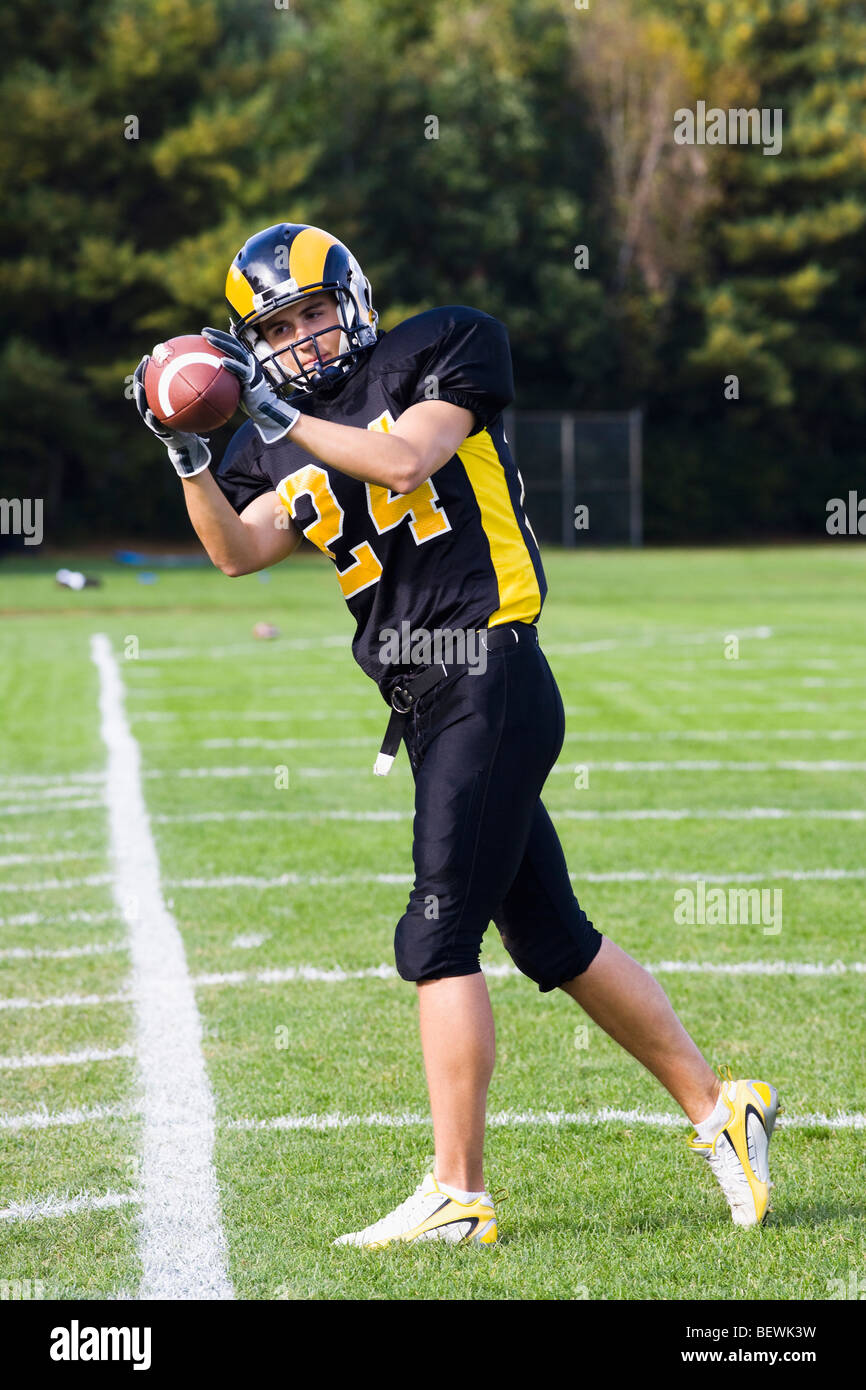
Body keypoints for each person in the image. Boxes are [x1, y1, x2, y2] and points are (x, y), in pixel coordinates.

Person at [133, 221, 779, 1249]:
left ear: (354, 300)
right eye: (276, 328)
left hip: (489, 665)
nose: (299, 340)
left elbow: (402, 460)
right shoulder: (269, 434)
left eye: (309, 314)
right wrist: (187, 454)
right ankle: (719, 1106)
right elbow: (238, 550)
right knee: (550, 936)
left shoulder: (442, 343)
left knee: (435, 936)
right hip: (424, 701)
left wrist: (272, 411)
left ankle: (457, 1189)